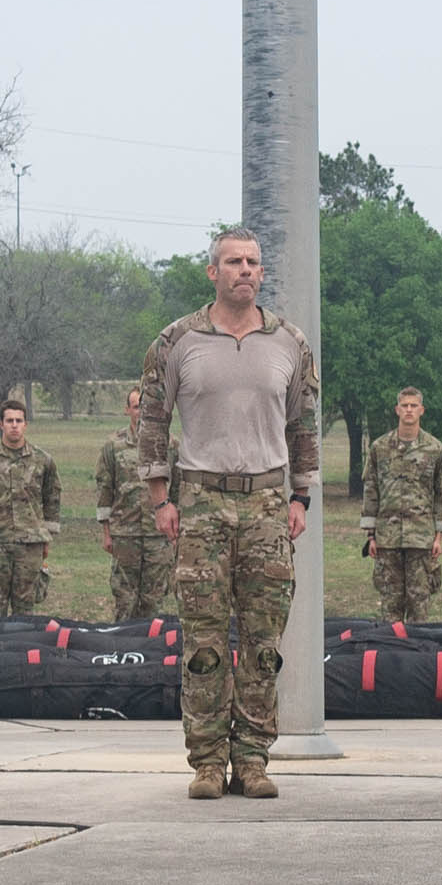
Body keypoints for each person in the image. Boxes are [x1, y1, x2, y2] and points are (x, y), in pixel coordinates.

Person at [137, 228, 319, 799]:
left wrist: (301, 495)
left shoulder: (289, 342)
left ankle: (254, 759)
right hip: (199, 502)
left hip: (267, 502)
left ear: (262, 274)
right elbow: (151, 420)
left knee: (265, 642)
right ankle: (209, 761)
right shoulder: (177, 341)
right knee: (205, 642)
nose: (245, 270)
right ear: (212, 272)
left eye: (253, 262)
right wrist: (160, 497)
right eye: (233, 262)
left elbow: (303, 425)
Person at [360, 386, 442, 625]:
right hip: (388, 537)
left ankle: (416, 658)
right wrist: (371, 536)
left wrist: (438, 537)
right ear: (397, 410)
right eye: (405, 405)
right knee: (390, 607)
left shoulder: (435, 449)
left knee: (419, 606)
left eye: (414, 406)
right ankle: (390, 656)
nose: (409, 410)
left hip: (421, 539)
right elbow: (371, 490)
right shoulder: (379, 448)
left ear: (421, 410)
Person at [0, 401, 61, 620]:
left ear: (25, 424)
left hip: (30, 543)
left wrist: (47, 536)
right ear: (1, 424)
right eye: (9, 421)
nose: (14, 425)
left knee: (25, 607)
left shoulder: (43, 460)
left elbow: (52, 497)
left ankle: (22, 650)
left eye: (18, 421)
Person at [94, 386, 175, 622]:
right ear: (128, 410)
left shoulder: (170, 446)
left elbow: (178, 491)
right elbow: (104, 490)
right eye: (137, 406)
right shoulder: (113, 447)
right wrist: (107, 533)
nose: (142, 412)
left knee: (153, 601)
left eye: (147, 407)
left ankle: (149, 652)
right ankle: (122, 650)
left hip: (158, 537)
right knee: (125, 600)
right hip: (125, 535)